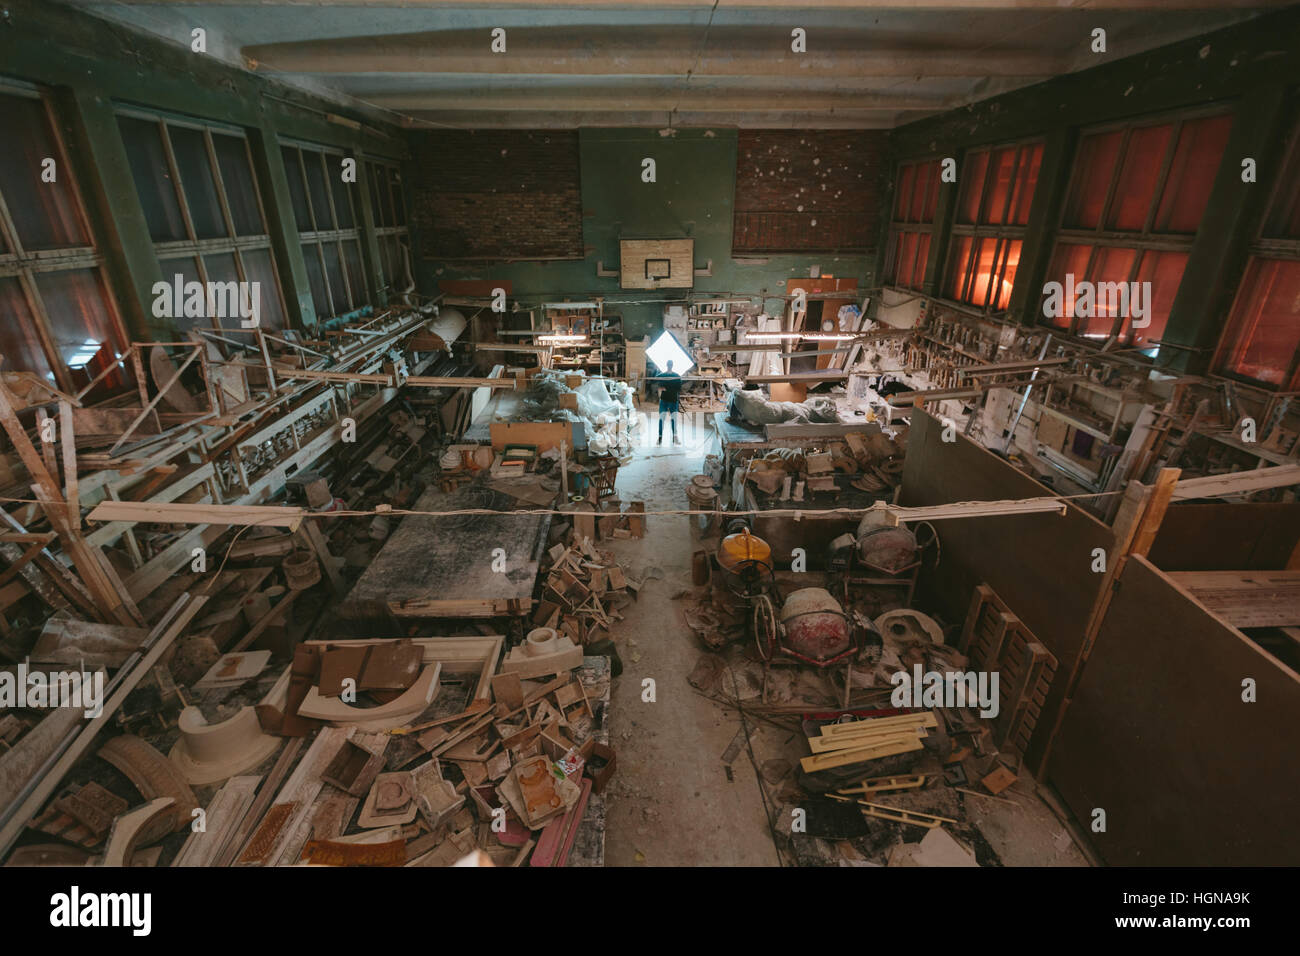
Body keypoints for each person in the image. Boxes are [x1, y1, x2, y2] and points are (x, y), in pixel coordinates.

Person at [651, 360, 682, 444]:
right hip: (667, 400)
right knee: (667, 419)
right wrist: (663, 387)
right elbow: (679, 389)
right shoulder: (675, 376)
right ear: (672, 365)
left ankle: (670, 437)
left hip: (670, 400)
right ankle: (662, 437)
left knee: (668, 419)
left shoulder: (668, 375)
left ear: (667, 365)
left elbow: (653, 379)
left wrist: (665, 388)